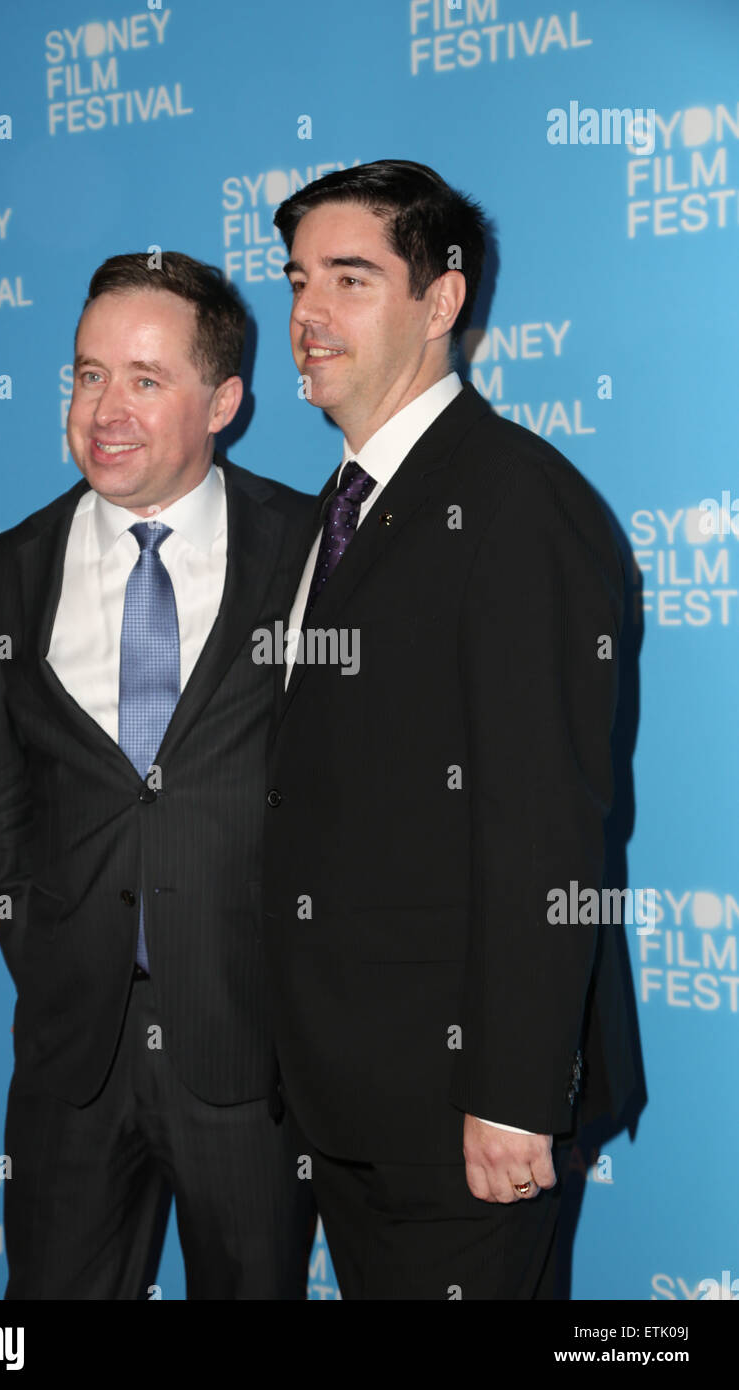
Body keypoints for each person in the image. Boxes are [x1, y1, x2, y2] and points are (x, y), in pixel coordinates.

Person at [262, 160, 638, 1299]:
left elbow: (544, 823)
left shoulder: (514, 502)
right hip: (350, 1089)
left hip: (464, 1114)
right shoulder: (333, 511)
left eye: (350, 278)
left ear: (441, 301)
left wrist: (516, 1091)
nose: (308, 315)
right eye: (295, 281)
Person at [0, 251, 315, 1300]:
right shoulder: (8, 567)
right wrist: (56, 962)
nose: (104, 409)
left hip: (250, 1059)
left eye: (144, 379)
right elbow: (1, 799)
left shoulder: (309, 550)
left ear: (222, 401)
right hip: (72, 1059)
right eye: (86, 374)